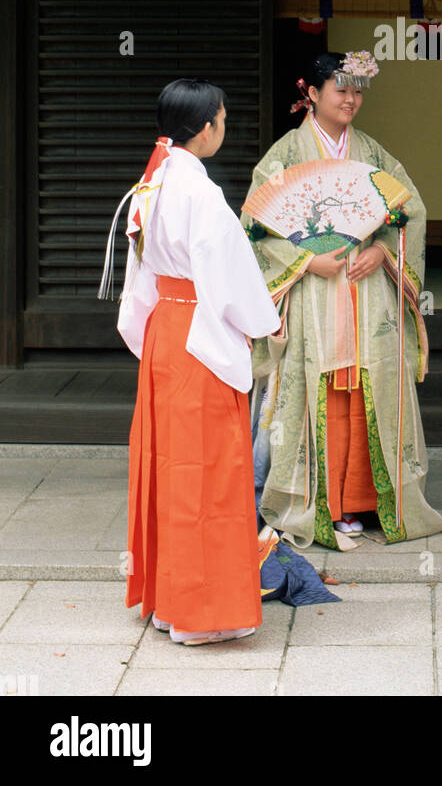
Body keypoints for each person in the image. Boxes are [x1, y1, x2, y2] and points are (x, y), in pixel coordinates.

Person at [245, 51, 442, 549]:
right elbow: (256, 227)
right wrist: (304, 261)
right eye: (341, 90)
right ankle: (317, 502)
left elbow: (409, 210)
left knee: (368, 384)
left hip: (366, 286)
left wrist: (382, 250)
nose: (352, 100)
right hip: (311, 290)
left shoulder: (374, 154)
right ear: (312, 95)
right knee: (317, 385)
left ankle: (364, 499)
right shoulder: (285, 156)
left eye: (358, 91)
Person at [104, 79, 284, 646]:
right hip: (198, 335)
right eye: (222, 120)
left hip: (166, 330)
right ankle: (203, 612)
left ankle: (167, 602)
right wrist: (265, 323)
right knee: (207, 471)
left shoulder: (151, 183)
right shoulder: (201, 195)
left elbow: (141, 277)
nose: (223, 128)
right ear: (206, 127)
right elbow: (227, 276)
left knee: (169, 465)